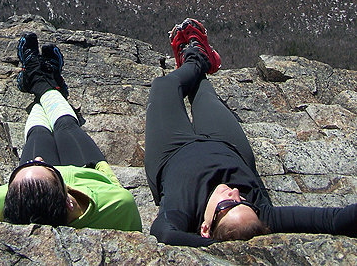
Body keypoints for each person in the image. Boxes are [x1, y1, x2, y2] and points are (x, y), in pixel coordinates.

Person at [144, 17, 357, 247]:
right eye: (244, 202)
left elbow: (163, 235)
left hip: (171, 152)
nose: (235, 193)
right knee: (202, 92)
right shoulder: (262, 215)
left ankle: (193, 58)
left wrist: (215, 249)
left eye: (227, 206)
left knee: (163, 86)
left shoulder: (179, 214)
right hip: (226, 145)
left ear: (204, 229)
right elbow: (337, 221)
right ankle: (197, 58)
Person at [0, 32, 142, 232]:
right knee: (66, 126)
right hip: (89, 172)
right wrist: (103, 169)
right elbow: (122, 200)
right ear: (69, 203)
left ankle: (37, 78)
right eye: (45, 166)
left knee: (38, 135)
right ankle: (43, 80)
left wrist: (2, 207)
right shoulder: (116, 205)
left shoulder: (21, 200)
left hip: (43, 191)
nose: (37, 158)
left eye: (24, 167)